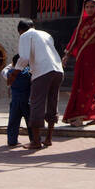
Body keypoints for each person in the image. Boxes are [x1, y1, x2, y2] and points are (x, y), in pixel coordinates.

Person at [62, 0, 95, 127]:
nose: (89, 9)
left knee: (86, 87)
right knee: (81, 86)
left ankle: (80, 117)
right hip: (82, 58)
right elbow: (75, 40)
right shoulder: (82, 22)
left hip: (93, 59)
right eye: (87, 7)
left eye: (92, 6)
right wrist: (66, 55)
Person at [16, 19, 64, 150]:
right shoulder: (46, 34)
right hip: (58, 70)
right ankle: (48, 138)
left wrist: (15, 72)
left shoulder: (25, 35)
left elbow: (24, 58)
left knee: (37, 104)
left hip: (42, 72)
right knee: (52, 103)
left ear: (20, 31)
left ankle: (36, 141)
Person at [2, 54, 32, 148]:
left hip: (15, 102)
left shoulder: (11, 72)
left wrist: (12, 65)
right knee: (30, 122)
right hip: (26, 101)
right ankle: (34, 139)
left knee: (13, 122)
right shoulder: (28, 73)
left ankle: (12, 140)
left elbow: (3, 72)